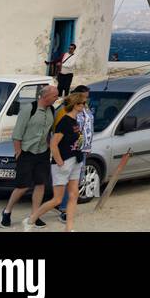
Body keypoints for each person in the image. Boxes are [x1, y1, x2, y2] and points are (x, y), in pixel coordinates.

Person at [1, 85, 58, 230]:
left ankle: (35, 215)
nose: (57, 98)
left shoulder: (51, 110)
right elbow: (17, 133)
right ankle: (7, 212)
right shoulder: (29, 109)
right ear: (45, 96)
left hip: (42, 152)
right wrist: (18, 151)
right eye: (54, 96)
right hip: (26, 152)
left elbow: (50, 132)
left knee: (40, 184)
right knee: (22, 186)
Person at [34, 90, 87, 232]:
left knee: (74, 195)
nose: (84, 105)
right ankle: (32, 219)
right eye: (82, 103)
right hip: (64, 162)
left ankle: (68, 229)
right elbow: (53, 143)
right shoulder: (64, 121)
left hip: (76, 160)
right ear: (75, 104)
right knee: (57, 199)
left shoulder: (75, 121)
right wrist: (60, 162)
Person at [56, 86, 94, 220]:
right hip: (71, 150)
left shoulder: (86, 109)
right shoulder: (68, 114)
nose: (86, 100)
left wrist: (88, 146)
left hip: (83, 148)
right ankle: (63, 209)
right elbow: (60, 133)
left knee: (76, 181)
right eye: (84, 98)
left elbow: (88, 127)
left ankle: (67, 209)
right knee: (68, 181)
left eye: (86, 98)